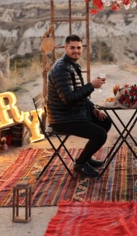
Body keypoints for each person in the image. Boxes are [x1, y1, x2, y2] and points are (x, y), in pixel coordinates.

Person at [46, 34, 112, 178]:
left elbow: (77, 93)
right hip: (62, 119)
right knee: (100, 134)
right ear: (65, 48)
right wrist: (91, 86)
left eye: (78, 48)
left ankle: (86, 158)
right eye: (72, 48)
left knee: (105, 121)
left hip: (73, 113)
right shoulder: (62, 69)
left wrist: (93, 107)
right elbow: (69, 99)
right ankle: (80, 164)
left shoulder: (72, 65)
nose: (76, 51)